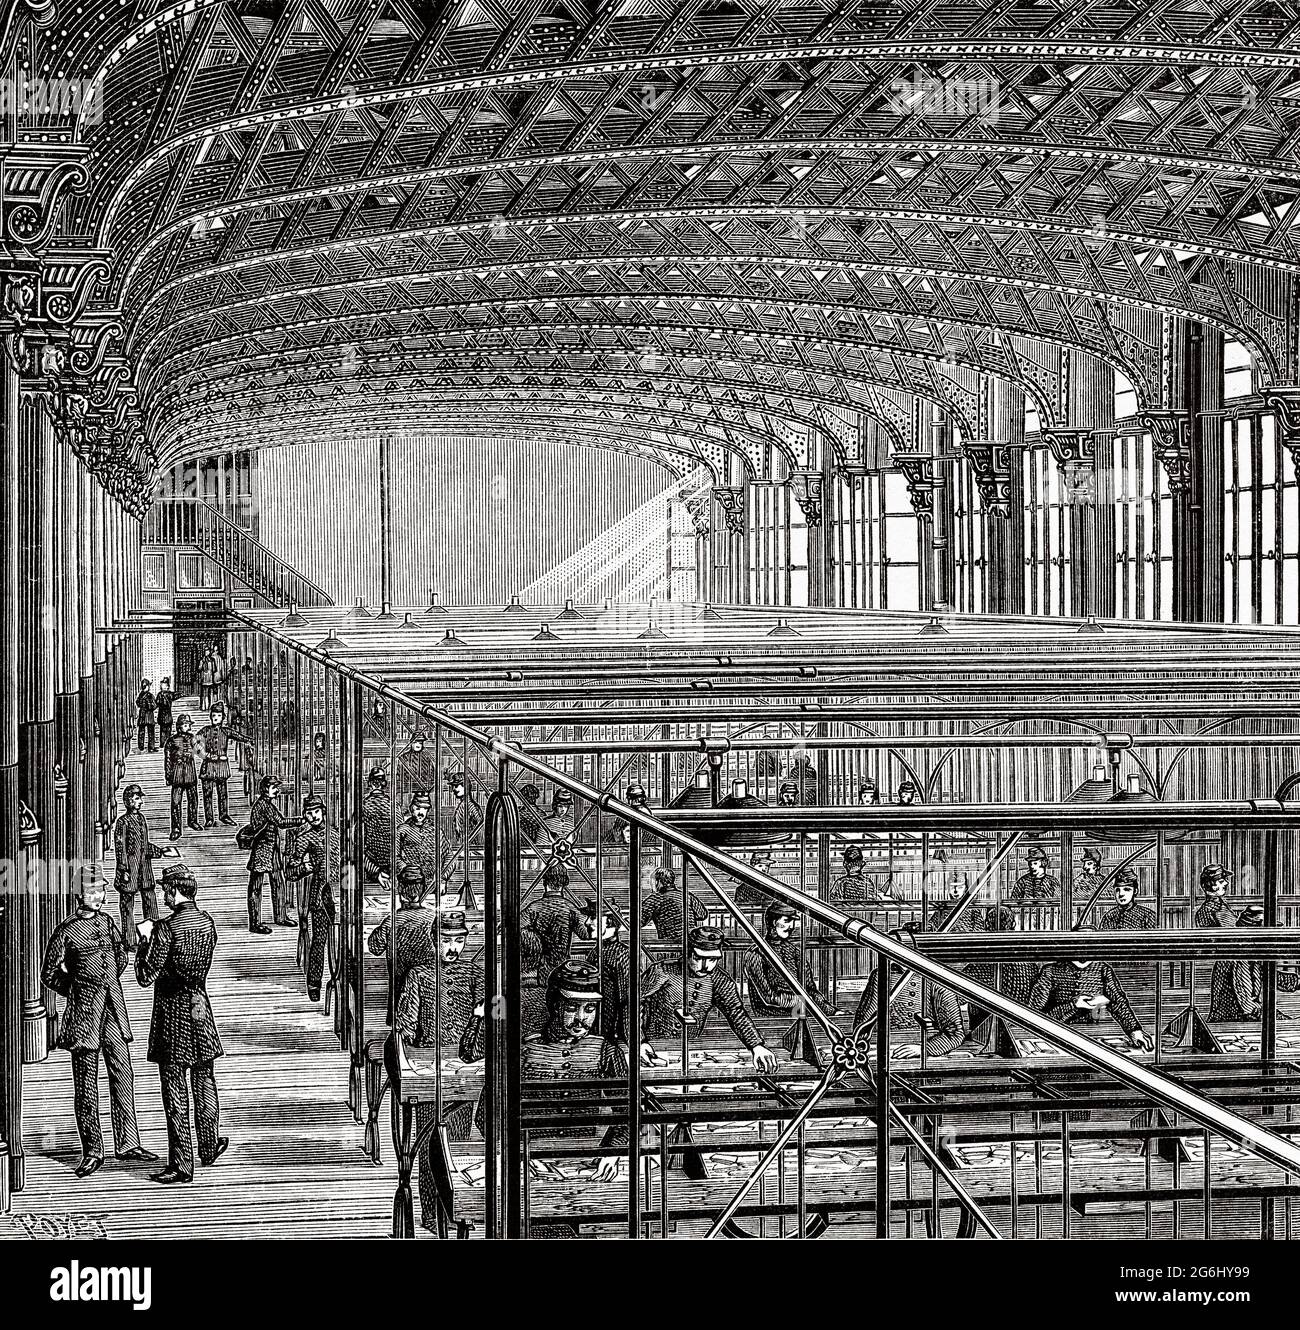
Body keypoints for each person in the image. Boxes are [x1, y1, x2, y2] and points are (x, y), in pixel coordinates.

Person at [40, 869, 159, 1177]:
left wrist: (107, 983)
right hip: (84, 1015)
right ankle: (93, 1151)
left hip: (113, 1011)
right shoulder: (66, 930)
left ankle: (128, 1143)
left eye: (102, 892)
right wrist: (78, 990)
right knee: (86, 1083)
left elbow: (120, 956)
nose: (99, 897)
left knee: (123, 1073)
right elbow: (49, 973)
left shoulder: (107, 922)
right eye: (93, 892)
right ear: (80, 894)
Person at [135, 866, 228, 1183]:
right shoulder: (207, 923)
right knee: (205, 1081)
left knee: (175, 1091)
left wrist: (145, 941)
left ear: (174, 891)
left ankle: (181, 1164)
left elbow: (146, 976)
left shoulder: (165, 928)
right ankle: (209, 1144)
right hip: (200, 1009)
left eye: (165, 889)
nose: (162, 895)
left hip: (173, 1014)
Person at [394, 910, 485, 1230]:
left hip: (467, 1065)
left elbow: (495, 1011)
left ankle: (455, 1209)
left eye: (460, 941)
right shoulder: (419, 976)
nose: (453, 948)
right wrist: (408, 1062)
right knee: (430, 1140)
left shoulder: (476, 974)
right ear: (434, 941)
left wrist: (487, 1013)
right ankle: (432, 1213)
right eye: (446, 941)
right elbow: (405, 1028)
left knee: (457, 1140)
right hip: (428, 1068)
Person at [640, 927, 778, 1070]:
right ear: (688, 953)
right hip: (651, 1046)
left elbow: (736, 1012)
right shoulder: (661, 971)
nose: (705, 966)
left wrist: (756, 1046)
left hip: (689, 1050)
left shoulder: (719, 979)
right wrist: (639, 1041)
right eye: (698, 958)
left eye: (712, 959)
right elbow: (632, 1005)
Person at [852, 922, 966, 1055]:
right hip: (883, 1049)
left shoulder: (938, 979)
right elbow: (863, 1024)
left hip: (926, 1050)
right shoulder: (880, 976)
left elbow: (955, 1034)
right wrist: (860, 1049)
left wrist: (923, 1049)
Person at [1028, 945, 1155, 1051]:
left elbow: (1119, 1003)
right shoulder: (1049, 971)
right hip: (1054, 1036)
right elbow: (1034, 1015)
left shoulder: (1103, 970)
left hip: (1092, 1036)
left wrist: (1134, 1030)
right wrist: (1073, 1005)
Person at [742, 900, 835, 1017]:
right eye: (786, 921)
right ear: (773, 922)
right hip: (771, 1016)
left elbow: (810, 989)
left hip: (801, 1011)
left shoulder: (795, 953)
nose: (791, 927)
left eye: (793, 921)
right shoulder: (755, 954)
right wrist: (806, 1002)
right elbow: (769, 997)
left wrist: (831, 1011)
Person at [112, 783, 178, 946]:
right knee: (127, 904)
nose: (140, 801)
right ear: (128, 801)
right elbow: (120, 848)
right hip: (130, 870)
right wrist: (123, 869)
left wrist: (160, 851)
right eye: (137, 798)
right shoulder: (122, 822)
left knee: (150, 899)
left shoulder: (141, 819)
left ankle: (155, 937)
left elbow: (144, 845)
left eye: (140, 798)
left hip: (145, 868)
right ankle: (129, 941)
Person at [1208, 904, 1300, 1020]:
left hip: (1247, 1019)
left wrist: (1297, 982)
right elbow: (1246, 1004)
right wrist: (1276, 1016)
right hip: (1232, 1023)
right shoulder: (1236, 960)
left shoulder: (1252, 957)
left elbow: (1273, 977)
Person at [965, 905, 1041, 1042]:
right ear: (1014, 924)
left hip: (982, 1034)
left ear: (987, 925)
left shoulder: (976, 965)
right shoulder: (1030, 965)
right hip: (1020, 1032)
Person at [244, 773, 304, 934]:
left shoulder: (268, 804)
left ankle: (281, 916)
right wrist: (301, 820)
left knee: (278, 881)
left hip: (273, 849)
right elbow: (281, 822)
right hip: (262, 849)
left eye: (277, 787)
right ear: (265, 789)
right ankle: (255, 922)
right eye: (274, 787)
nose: (277, 790)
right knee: (256, 886)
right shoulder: (263, 805)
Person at [367, 864, 438, 993]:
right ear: (422, 889)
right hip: (429, 987)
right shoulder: (433, 917)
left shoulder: (392, 921)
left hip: (399, 988)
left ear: (399, 887)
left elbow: (375, 948)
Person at [579, 901, 632, 1042]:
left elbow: (628, 1001)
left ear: (609, 922)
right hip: (592, 1033)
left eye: (593, 917)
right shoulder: (595, 952)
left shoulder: (622, 955)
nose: (587, 923)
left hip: (612, 1037)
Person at [196, 703, 250, 828]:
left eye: (218, 716)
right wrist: (206, 755)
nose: (215, 718)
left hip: (221, 767)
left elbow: (240, 737)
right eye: (214, 715)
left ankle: (224, 815)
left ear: (223, 717)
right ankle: (209, 818)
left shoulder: (226, 731)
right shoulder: (205, 730)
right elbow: (194, 742)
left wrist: (249, 740)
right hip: (208, 767)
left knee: (222, 793)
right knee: (207, 793)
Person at [296, 841, 338, 1003]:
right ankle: (314, 983)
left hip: (343, 891)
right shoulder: (306, 838)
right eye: (310, 813)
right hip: (320, 898)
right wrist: (304, 868)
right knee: (319, 941)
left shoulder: (341, 836)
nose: (314, 815)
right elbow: (291, 872)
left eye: (316, 812)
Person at [523, 863, 584, 973]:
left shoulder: (534, 907)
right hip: (564, 968)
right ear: (564, 884)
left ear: (544, 882)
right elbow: (585, 934)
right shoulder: (570, 908)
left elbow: (513, 929)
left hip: (541, 969)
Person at [640, 866, 708, 949]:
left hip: (670, 946)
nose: (651, 884)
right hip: (691, 945)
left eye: (652, 881)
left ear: (658, 882)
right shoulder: (687, 896)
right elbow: (702, 914)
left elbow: (639, 921)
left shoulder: (655, 899)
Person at [164, 714, 201, 841]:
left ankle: (193, 821)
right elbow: (168, 759)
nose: (188, 727)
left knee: (193, 799)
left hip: (190, 772)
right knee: (175, 802)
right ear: (179, 727)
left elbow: (200, 752)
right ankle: (176, 828)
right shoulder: (171, 741)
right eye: (186, 725)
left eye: (189, 725)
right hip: (177, 774)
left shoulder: (192, 738)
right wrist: (168, 775)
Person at [830, 843, 897, 904]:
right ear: (862, 864)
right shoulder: (867, 882)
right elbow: (875, 900)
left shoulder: (840, 883)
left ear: (845, 864)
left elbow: (833, 902)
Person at [395, 791, 439, 884]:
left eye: (424, 809)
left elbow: (448, 855)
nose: (421, 812)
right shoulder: (402, 830)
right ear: (412, 808)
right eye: (418, 808)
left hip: (432, 884)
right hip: (408, 883)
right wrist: (407, 870)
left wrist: (442, 878)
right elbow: (394, 856)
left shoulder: (436, 830)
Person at [361, 766, 393, 882]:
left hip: (371, 862)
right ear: (384, 783)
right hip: (391, 861)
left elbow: (356, 837)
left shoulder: (363, 806)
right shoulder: (393, 805)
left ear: (370, 783)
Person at [1195, 863, 1237, 928]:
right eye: (1221, 881)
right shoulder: (1206, 911)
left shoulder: (1221, 905)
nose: (1226, 883)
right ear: (1210, 885)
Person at [135, 679, 157, 753]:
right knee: (151, 732)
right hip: (149, 715)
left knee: (141, 731)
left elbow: (137, 703)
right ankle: (151, 747)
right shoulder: (150, 695)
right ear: (147, 686)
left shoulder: (140, 695)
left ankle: (141, 747)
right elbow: (154, 706)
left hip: (142, 714)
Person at [155, 678, 175, 745]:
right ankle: (163, 743)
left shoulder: (168, 694)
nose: (163, 687)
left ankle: (166, 743)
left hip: (166, 715)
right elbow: (157, 702)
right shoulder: (160, 694)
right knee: (163, 730)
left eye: (164, 686)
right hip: (163, 715)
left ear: (168, 687)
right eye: (162, 686)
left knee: (167, 730)